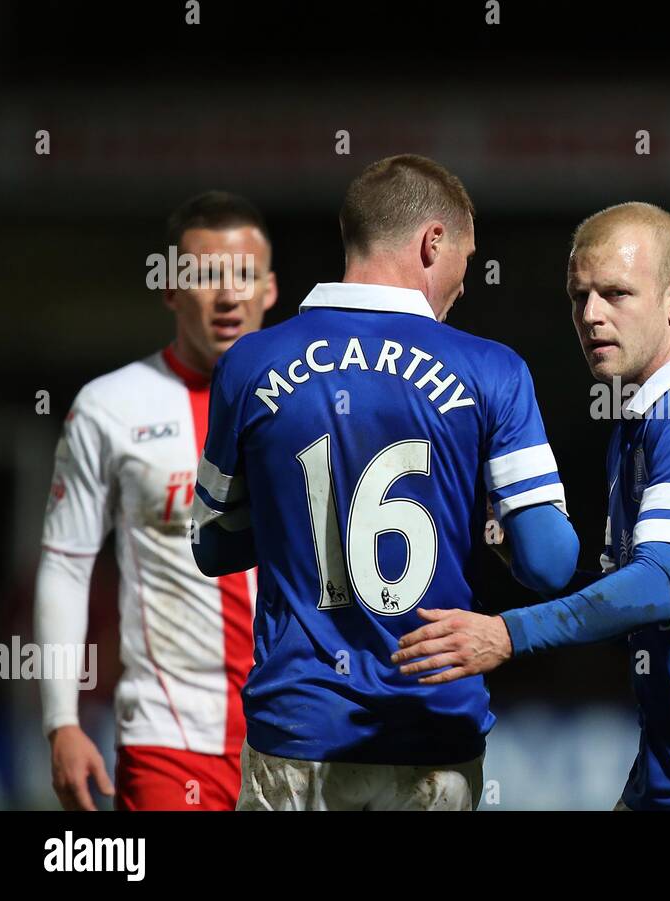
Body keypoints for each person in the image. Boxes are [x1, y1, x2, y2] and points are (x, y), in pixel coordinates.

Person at [394, 202, 670, 810]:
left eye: (616, 294)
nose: (591, 316)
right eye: (580, 296)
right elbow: (637, 591)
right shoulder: (643, 426)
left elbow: (655, 587)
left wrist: (506, 634)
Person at [191, 154, 578, 811]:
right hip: (431, 732)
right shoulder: (492, 370)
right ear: (433, 242)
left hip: (298, 729)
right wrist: (482, 517)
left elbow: (213, 546)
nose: (465, 282)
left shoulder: (250, 363)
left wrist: (299, 516)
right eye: (465, 256)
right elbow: (550, 563)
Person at [36, 190, 276, 810]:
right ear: (170, 289)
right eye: (205, 276)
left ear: (270, 290)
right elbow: (66, 563)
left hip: (297, 733)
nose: (228, 296)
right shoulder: (109, 406)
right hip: (168, 744)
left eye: (244, 276)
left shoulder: (315, 407)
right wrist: (62, 720)